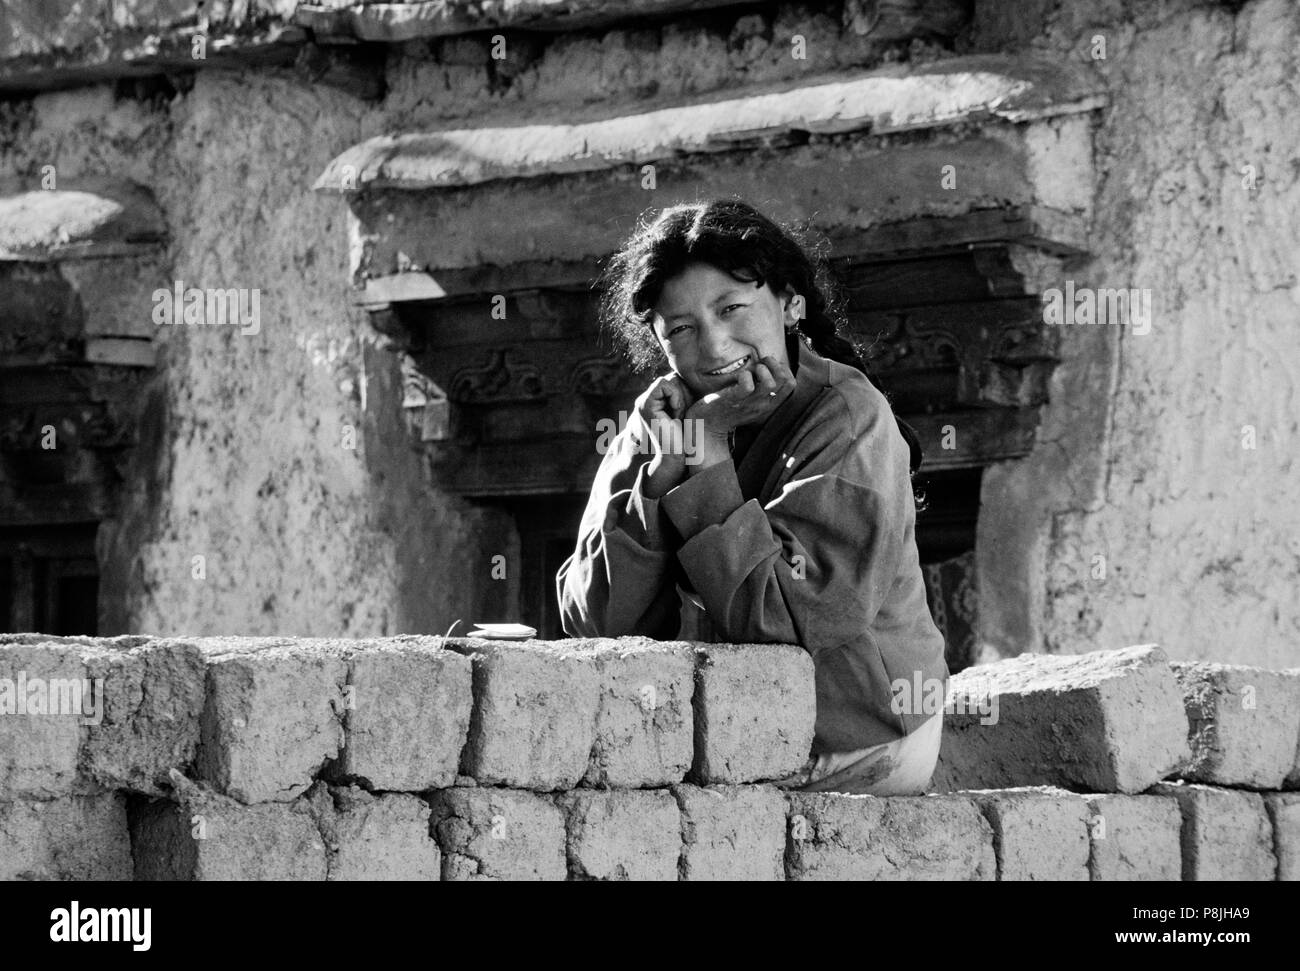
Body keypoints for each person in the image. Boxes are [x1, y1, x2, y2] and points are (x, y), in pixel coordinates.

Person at [555, 198, 949, 795]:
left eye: (732, 308)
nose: (713, 348)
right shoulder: (661, 420)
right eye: (681, 329)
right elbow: (596, 623)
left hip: (856, 739)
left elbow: (788, 625)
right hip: (727, 734)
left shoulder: (847, 417)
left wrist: (707, 454)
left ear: (791, 303)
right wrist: (665, 472)